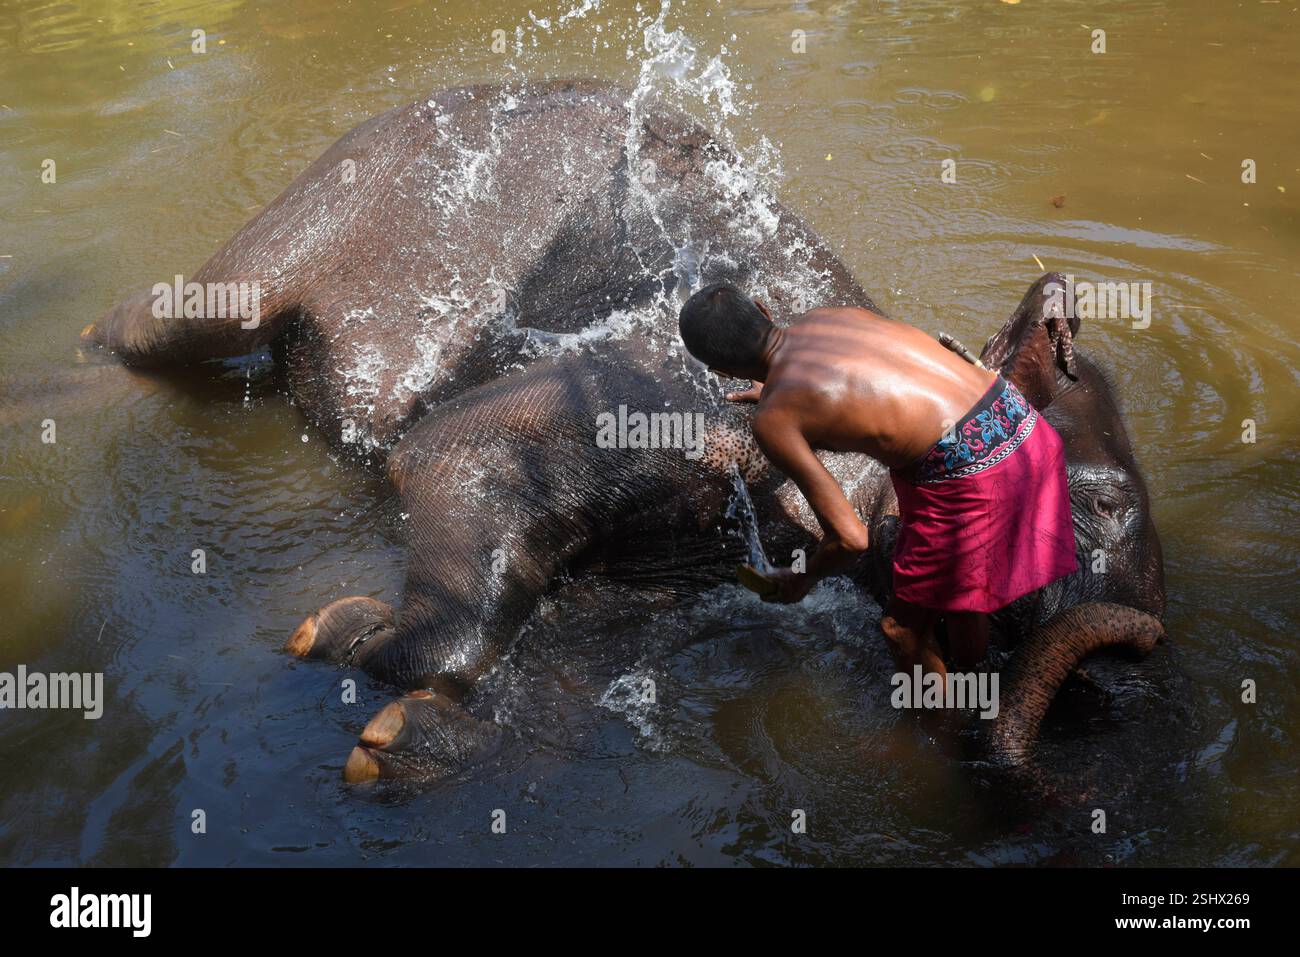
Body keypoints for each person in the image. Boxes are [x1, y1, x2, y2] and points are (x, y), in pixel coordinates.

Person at [677, 282, 1077, 681]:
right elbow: (858, 376)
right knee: (958, 593)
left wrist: (802, 578)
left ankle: (943, 733)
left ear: (723, 372)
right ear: (764, 312)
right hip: (1024, 428)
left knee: (900, 631)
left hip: (974, 479)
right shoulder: (829, 317)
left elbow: (851, 539)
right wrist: (777, 387)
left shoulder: (775, 421)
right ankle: (974, 672)